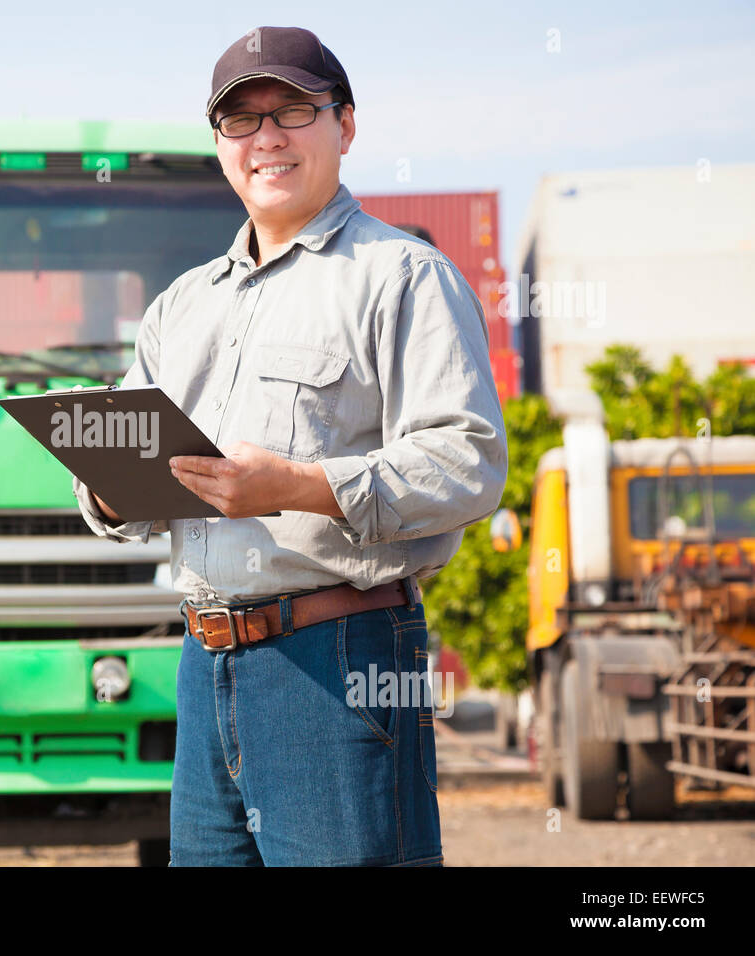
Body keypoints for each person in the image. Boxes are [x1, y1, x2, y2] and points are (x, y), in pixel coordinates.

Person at [72, 25, 508, 866]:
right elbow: (116, 476)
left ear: (345, 126)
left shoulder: (402, 276)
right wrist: (110, 492)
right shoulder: (180, 307)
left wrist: (296, 486)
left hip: (341, 659)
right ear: (221, 146)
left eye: (294, 111)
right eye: (242, 121)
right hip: (202, 668)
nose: (266, 137)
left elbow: (468, 464)